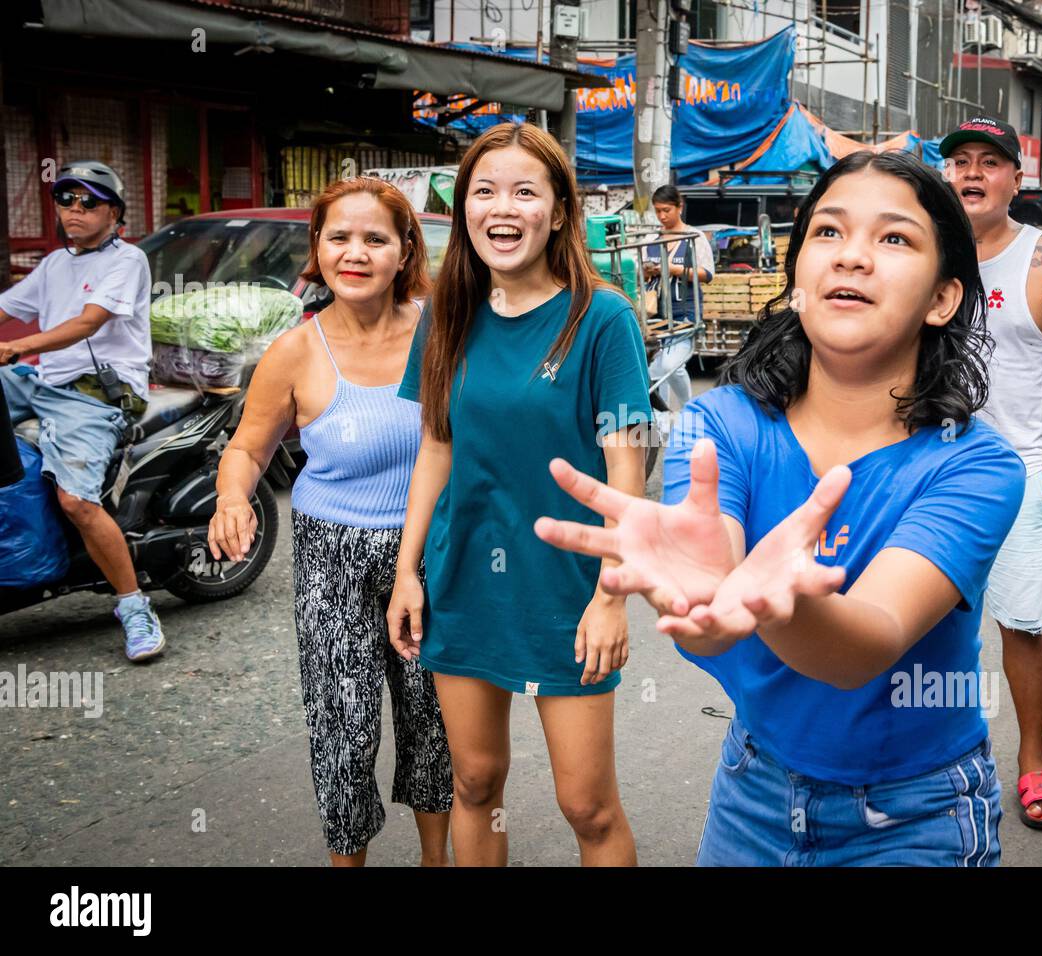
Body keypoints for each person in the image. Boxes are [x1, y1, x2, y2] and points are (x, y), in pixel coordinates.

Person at [535, 148, 1025, 866]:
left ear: (943, 298)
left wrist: (780, 601)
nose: (851, 257)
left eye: (894, 239)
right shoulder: (719, 425)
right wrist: (703, 596)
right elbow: (708, 629)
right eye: (827, 232)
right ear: (796, 275)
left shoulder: (974, 465)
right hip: (754, 792)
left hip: (917, 814)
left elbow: (870, 640)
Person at [386, 122, 652, 867]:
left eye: (525, 192)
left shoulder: (603, 319)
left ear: (560, 212)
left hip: (565, 588)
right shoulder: (445, 315)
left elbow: (625, 472)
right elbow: (435, 447)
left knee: (587, 805)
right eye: (485, 190)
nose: (503, 208)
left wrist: (612, 595)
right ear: (464, 208)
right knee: (475, 782)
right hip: (464, 580)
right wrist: (409, 573)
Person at [209, 177, 453, 866]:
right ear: (317, 247)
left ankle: (438, 858)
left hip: (429, 551)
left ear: (405, 251)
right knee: (342, 731)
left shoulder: (443, 332)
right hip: (329, 560)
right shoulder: (295, 350)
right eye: (339, 236)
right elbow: (248, 448)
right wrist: (232, 499)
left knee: (433, 721)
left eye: (376, 238)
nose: (356, 252)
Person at [941, 117, 1042, 830]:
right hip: (929, 476)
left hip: (1018, 478)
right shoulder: (923, 250)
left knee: (1023, 624)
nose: (973, 173)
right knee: (923, 627)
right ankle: (939, 757)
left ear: (1014, 177)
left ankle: (1033, 760)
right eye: (960, 162)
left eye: (990, 162)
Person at [0, 161, 163, 661]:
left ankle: (135, 607)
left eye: (89, 202)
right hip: (44, 384)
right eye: (66, 200)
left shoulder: (127, 259)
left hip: (95, 394)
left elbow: (88, 323)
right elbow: (7, 307)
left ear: (114, 213)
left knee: (77, 502)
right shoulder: (54, 264)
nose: (75, 209)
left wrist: (17, 347)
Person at [644, 184, 715, 415]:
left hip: (684, 312)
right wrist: (647, 271)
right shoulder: (651, 238)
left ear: (679, 207)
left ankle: (689, 410)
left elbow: (707, 274)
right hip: (656, 313)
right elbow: (640, 271)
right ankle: (662, 418)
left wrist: (674, 269)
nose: (662, 216)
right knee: (654, 372)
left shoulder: (694, 237)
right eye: (658, 211)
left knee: (670, 365)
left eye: (667, 210)